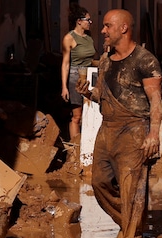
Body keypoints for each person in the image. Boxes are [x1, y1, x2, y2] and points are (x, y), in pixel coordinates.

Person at [77, 9, 162, 238]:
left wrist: (154, 133)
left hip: (134, 130)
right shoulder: (105, 60)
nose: (102, 31)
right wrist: (89, 94)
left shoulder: (145, 60)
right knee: (99, 182)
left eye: (107, 26)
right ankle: (129, 223)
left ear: (123, 28)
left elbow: (156, 99)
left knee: (131, 188)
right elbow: (103, 96)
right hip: (107, 129)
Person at [60, 6, 96, 141]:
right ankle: (75, 148)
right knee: (77, 115)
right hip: (76, 75)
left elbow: (91, 59)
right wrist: (64, 87)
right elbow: (65, 64)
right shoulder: (69, 38)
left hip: (90, 75)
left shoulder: (89, 38)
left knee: (91, 112)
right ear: (79, 21)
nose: (90, 23)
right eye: (88, 20)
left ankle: (88, 144)